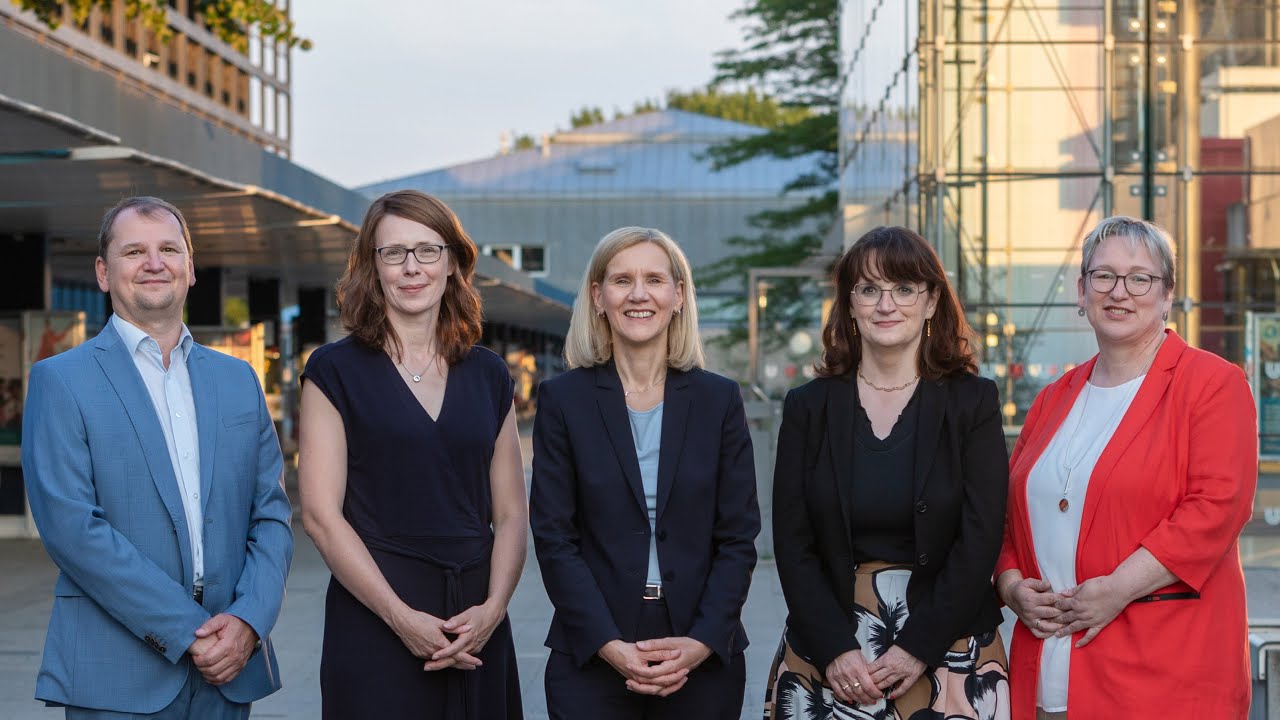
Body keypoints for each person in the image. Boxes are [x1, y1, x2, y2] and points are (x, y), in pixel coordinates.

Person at [22, 196, 293, 719]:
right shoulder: (61, 381)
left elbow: (272, 513)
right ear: (103, 272)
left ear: (190, 269)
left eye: (169, 249)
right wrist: (187, 632)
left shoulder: (238, 381)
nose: (154, 263)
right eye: (134, 251)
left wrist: (249, 621)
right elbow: (73, 529)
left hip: (229, 668)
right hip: (117, 673)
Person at [994, 216, 1256, 720]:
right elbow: (1006, 516)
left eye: (1140, 278)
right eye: (1104, 276)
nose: (1120, 292)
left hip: (1162, 674)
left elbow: (1217, 508)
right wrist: (1011, 586)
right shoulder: (1052, 400)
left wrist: (1117, 589)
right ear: (1082, 289)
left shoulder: (1211, 384)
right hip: (1047, 670)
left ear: (1167, 296)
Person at [765, 226, 1011, 719]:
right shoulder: (808, 407)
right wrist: (835, 648)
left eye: (904, 289)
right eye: (869, 289)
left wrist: (918, 646)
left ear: (932, 301)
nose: (886, 305)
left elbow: (980, 537)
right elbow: (792, 543)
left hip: (950, 646)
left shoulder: (972, 402)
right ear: (849, 303)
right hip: (829, 653)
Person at [299, 190, 525, 719]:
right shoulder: (334, 371)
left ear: (452, 262)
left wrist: (494, 609)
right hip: (376, 613)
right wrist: (401, 618)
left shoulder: (489, 373)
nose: (411, 267)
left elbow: (513, 513)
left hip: (476, 616)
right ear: (371, 267)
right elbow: (320, 517)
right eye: (393, 253)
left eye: (427, 250)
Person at [531, 226, 760, 719]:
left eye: (655, 279)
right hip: (592, 648)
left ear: (679, 295)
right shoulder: (563, 400)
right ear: (598, 296)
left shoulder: (718, 400)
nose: (639, 294)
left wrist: (701, 641)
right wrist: (608, 644)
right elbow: (554, 538)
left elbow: (739, 536)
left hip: (700, 646)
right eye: (622, 280)